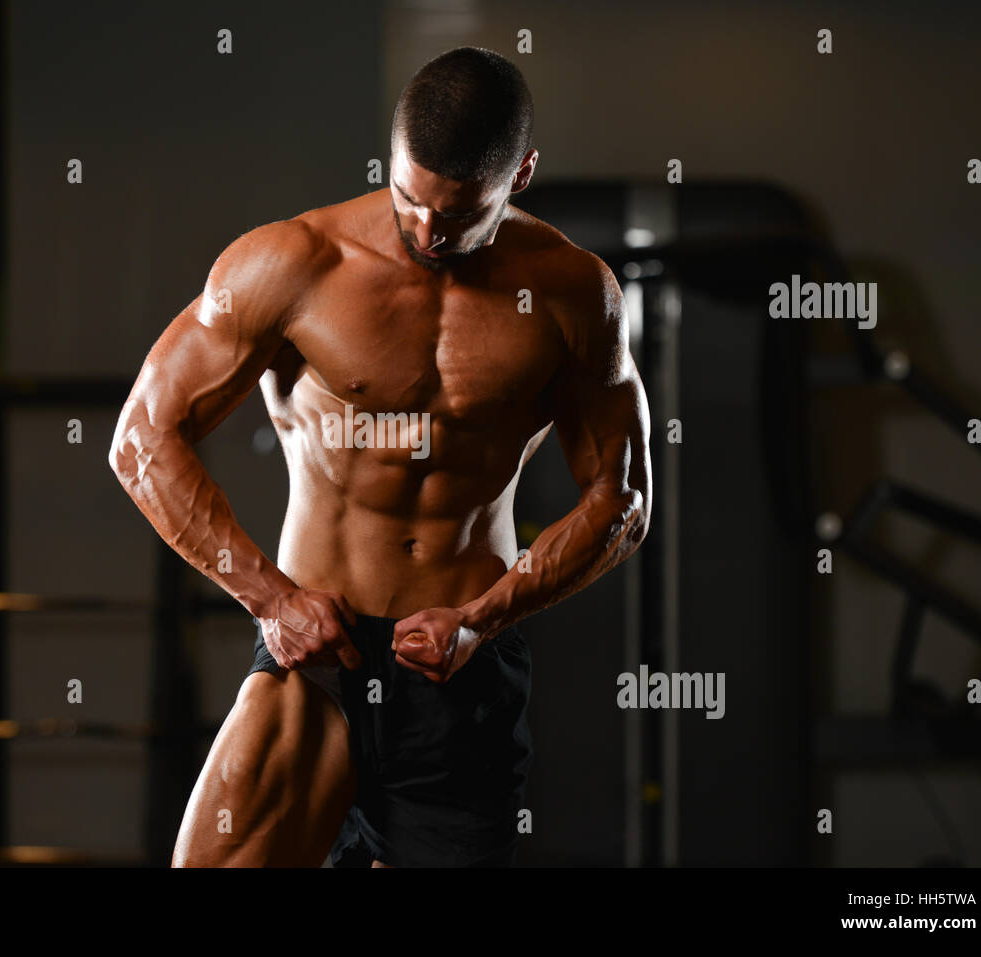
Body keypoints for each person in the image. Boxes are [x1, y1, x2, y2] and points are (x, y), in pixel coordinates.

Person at [108, 46, 652, 867]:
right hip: (317, 652)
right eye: (409, 197)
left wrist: (483, 619)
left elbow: (624, 499)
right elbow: (141, 437)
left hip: (460, 671)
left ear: (523, 174)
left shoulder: (573, 295)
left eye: (460, 213)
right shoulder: (294, 263)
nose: (429, 231)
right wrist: (269, 599)